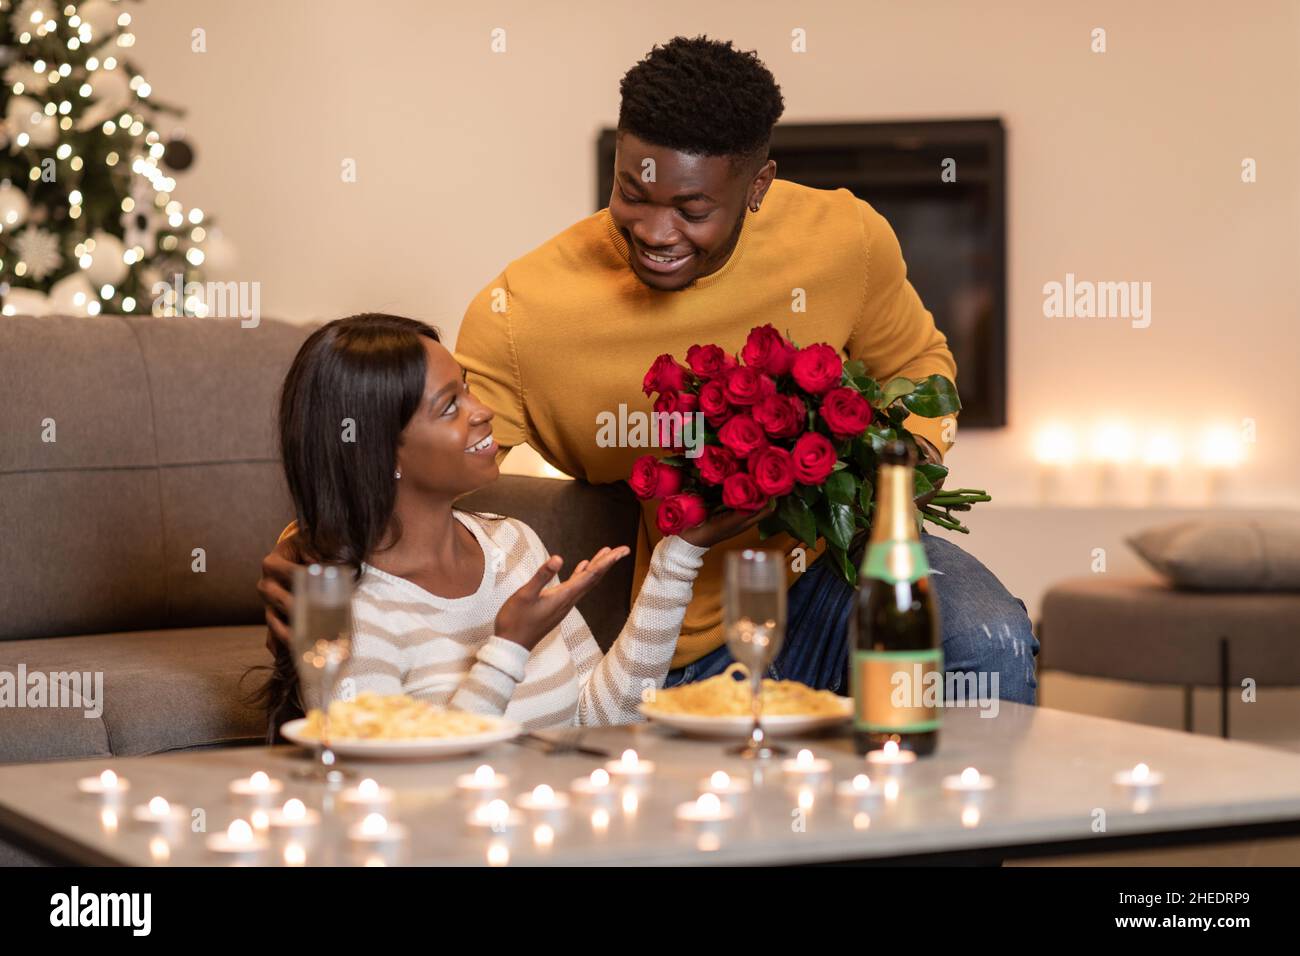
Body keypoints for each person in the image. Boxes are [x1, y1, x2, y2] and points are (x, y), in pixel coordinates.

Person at [259, 36, 1038, 704]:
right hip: (692, 640)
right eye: (633, 193)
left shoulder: (844, 238)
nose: (655, 232)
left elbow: (917, 370)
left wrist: (887, 482)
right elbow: (407, 441)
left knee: (990, 638)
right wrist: (316, 543)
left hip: (842, 565)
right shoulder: (528, 308)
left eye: (693, 210)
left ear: (756, 187)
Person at [254, 314, 763, 731]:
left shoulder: (514, 544)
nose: (483, 412)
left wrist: (678, 555)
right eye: (450, 406)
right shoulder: (347, 611)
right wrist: (509, 647)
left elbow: (605, 718)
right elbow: (399, 790)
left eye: (468, 390)